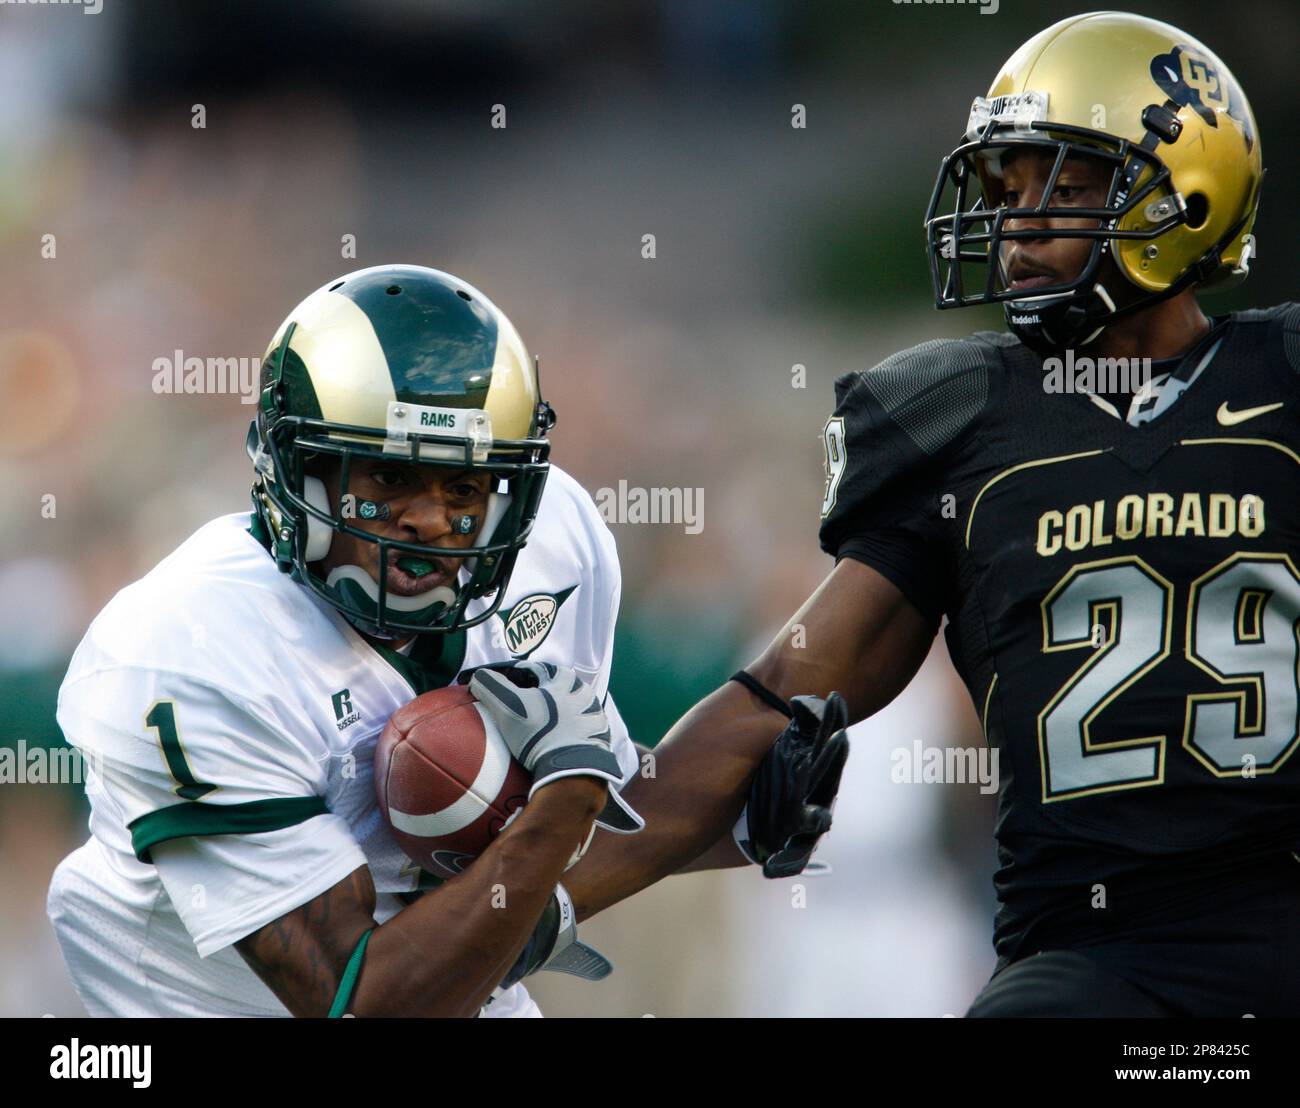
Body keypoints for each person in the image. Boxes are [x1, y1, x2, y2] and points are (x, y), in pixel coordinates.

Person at [531, 11, 1300, 1017]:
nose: (1020, 224)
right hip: (1090, 960)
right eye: (1007, 191)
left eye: (1063, 188)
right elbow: (777, 698)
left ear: (1185, 194)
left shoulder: (1283, 378)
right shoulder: (963, 419)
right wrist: (529, 897)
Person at [47, 264, 652, 1018]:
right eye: (389, 478)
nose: (430, 520)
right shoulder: (192, 645)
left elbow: (623, 804)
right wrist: (558, 814)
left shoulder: (554, 544)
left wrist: (762, 734)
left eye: (464, 487)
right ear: (297, 472)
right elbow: (365, 1005)